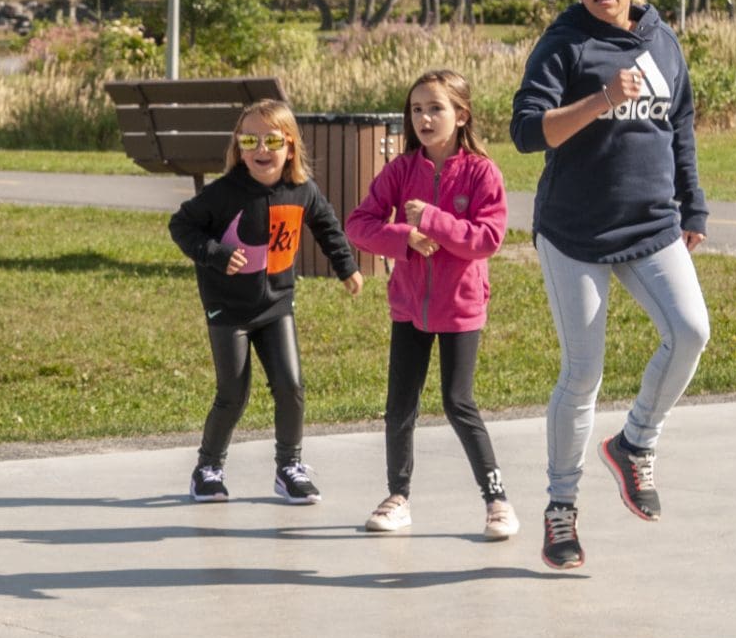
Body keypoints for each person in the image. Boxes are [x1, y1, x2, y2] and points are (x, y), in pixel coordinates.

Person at [511, 0, 710, 570]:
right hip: (575, 232)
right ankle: (561, 508)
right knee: (583, 372)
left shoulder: (662, 40)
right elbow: (526, 132)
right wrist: (601, 99)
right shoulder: (564, 43)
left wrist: (693, 204)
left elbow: (680, 123)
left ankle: (634, 442)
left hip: (651, 225)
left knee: (690, 331)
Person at [345, 70, 517, 540]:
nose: (424, 118)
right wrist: (404, 236)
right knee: (399, 406)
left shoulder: (481, 172)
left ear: (461, 115)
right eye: (417, 109)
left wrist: (435, 220)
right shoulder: (401, 170)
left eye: (435, 108)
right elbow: (358, 225)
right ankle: (397, 497)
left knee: (458, 402)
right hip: (409, 308)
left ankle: (497, 501)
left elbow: (488, 239)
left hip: (460, 307)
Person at [169, 99, 363, 505]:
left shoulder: (302, 190)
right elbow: (181, 225)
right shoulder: (223, 193)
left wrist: (346, 267)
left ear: (290, 147)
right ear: (238, 147)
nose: (261, 149)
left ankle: (289, 467)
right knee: (233, 393)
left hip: (276, 305)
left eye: (272, 140)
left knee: (291, 386)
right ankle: (207, 468)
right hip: (228, 310)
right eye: (250, 140)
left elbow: (327, 226)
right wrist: (214, 254)